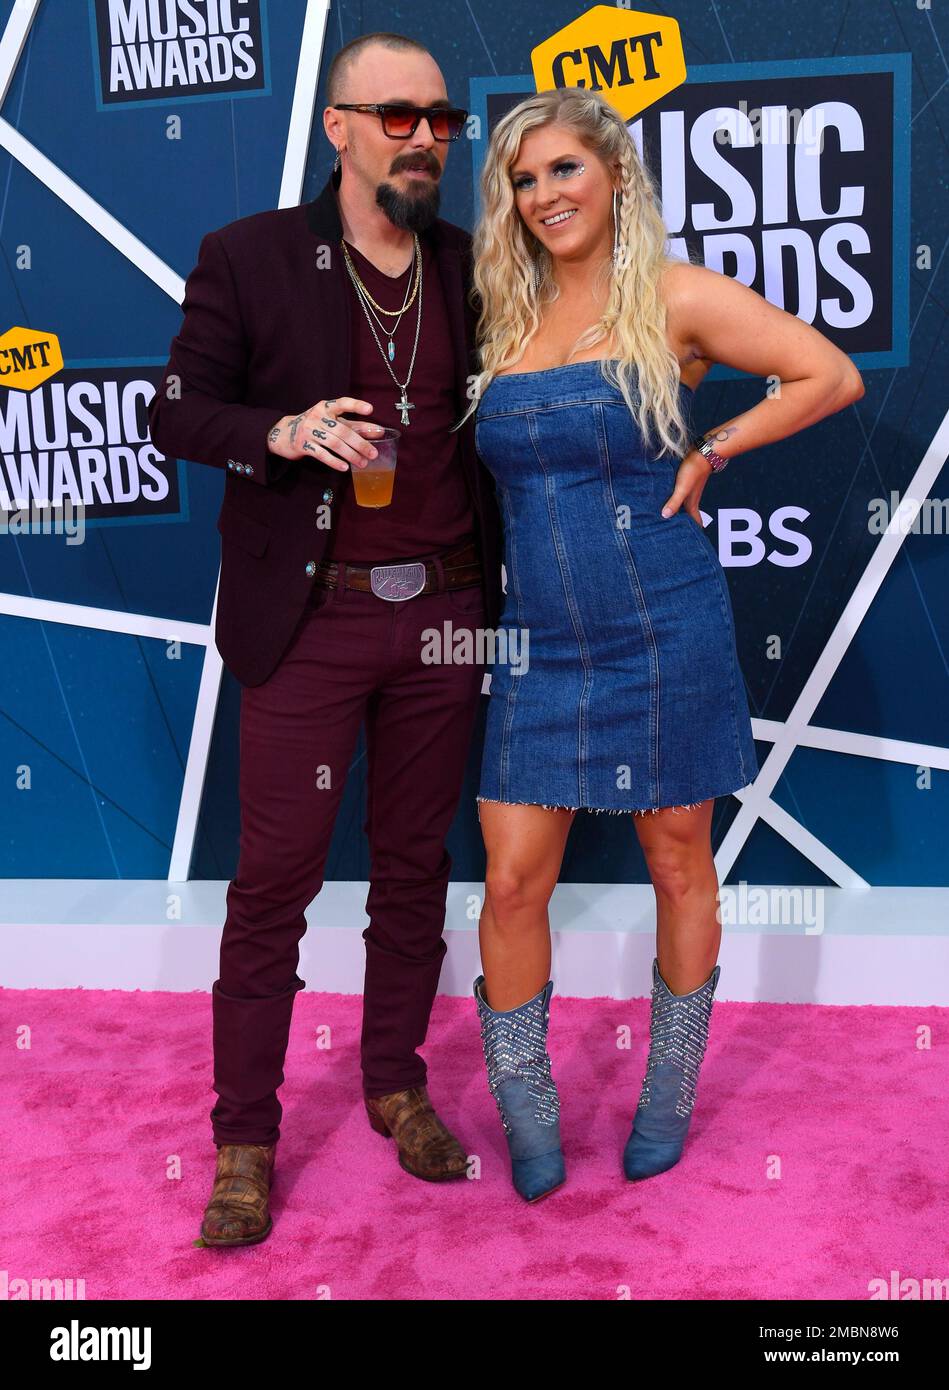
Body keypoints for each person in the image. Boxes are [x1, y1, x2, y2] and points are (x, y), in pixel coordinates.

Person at [462, 88, 864, 1202]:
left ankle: (668, 1087)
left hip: (663, 626)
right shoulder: (501, 316)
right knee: (507, 878)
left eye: (563, 171)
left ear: (614, 177)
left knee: (679, 860)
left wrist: (718, 443)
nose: (545, 195)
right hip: (540, 641)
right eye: (524, 179)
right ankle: (526, 1104)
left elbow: (828, 373)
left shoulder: (674, 299)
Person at [147, 32, 504, 1246]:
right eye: (396, 114)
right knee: (275, 885)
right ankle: (244, 1137)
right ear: (337, 127)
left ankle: (395, 1085)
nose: (425, 137)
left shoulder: (469, 263)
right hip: (310, 619)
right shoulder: (249, 256)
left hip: (446, 614)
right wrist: (285, 430)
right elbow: (176, 411)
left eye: (441, 119)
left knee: (415, 868)